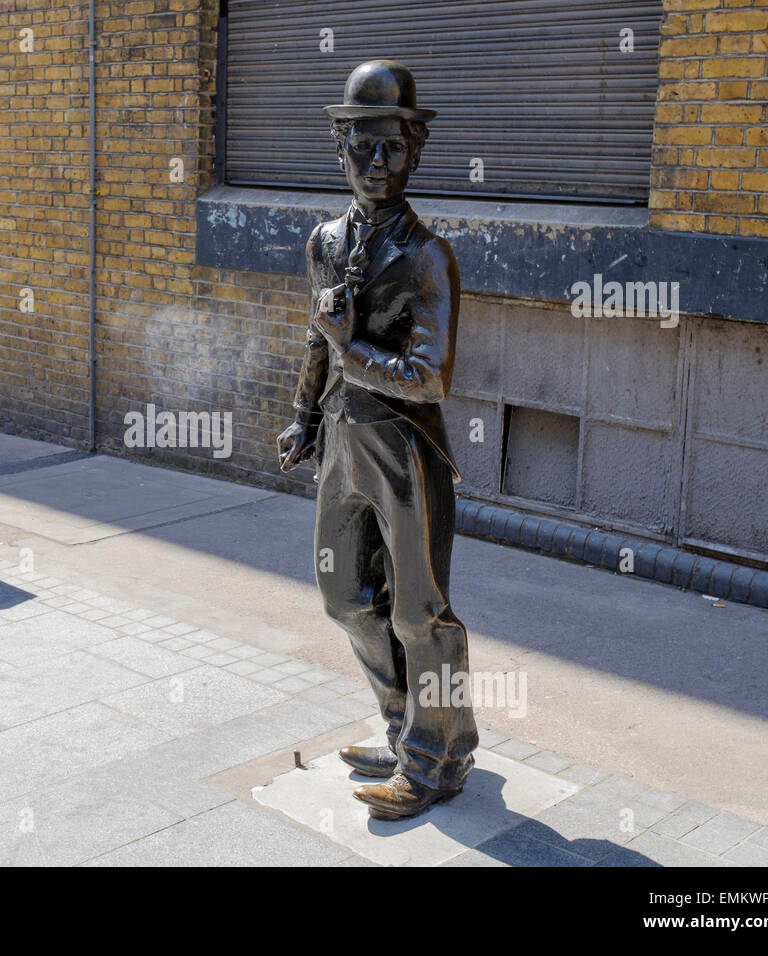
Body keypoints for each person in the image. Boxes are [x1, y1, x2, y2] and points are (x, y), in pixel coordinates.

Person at [276, 61, 478, 819]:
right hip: (340, 444)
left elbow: (429, 379)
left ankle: (440, 757)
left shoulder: (429, 257)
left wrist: (349, 347)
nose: (378, 164)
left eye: (393, 147)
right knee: (346, 596)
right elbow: (316, 338)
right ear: (340, 151)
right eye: (362, 147)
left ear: (415, 151)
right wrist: (303, 414)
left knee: (419, 613)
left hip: (405, 453)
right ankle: (404, 730)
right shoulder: (325, 241)